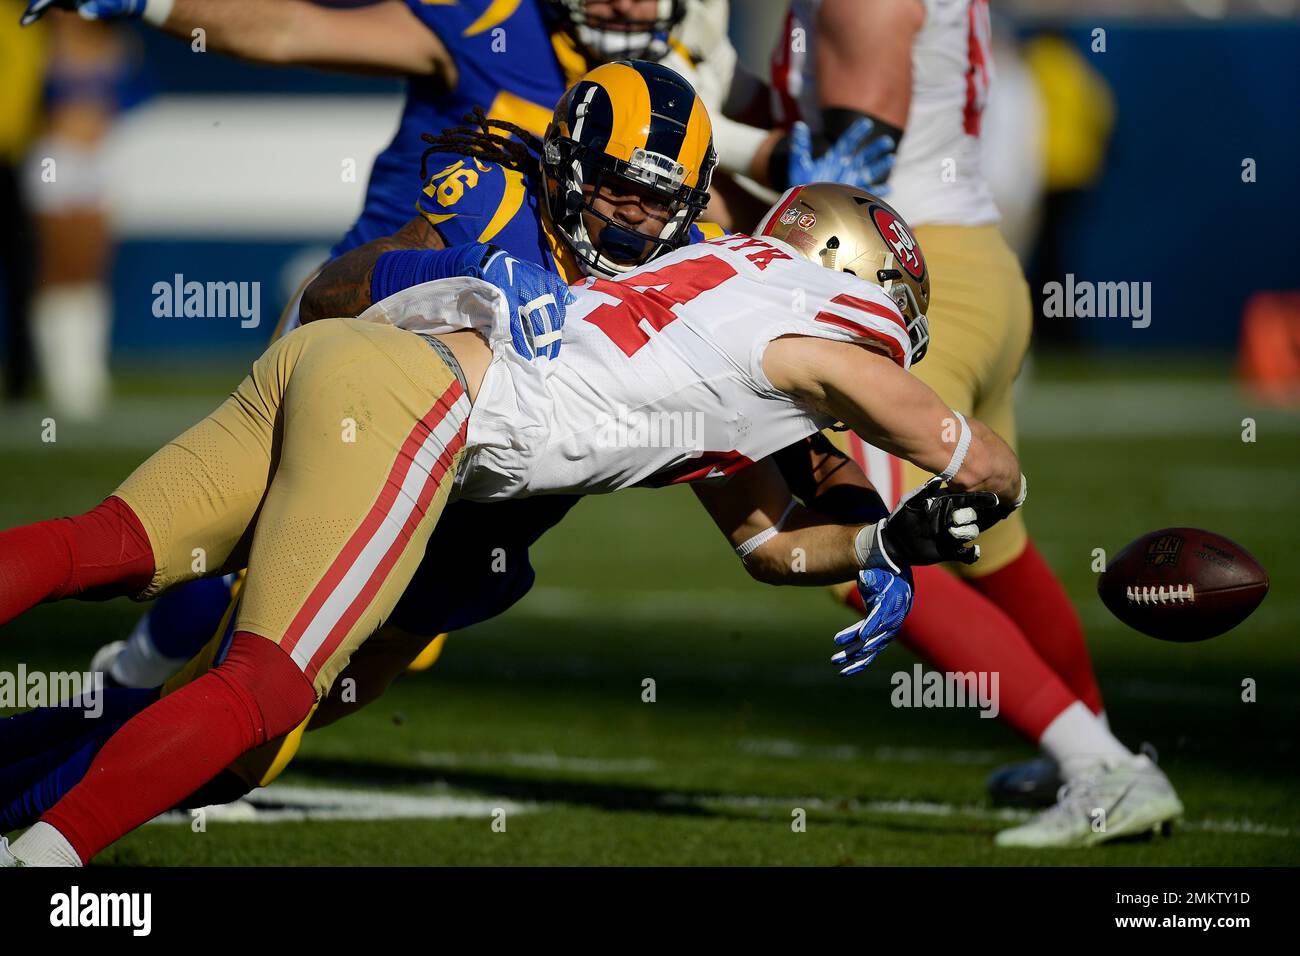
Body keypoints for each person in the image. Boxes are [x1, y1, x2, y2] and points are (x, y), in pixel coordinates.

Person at [0, 182, 1025, 866]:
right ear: (862, 278)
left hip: (348, 357)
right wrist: (982, 476)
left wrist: (883, 542)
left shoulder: (722, 293)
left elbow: (764, 540)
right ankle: (43, 860)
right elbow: (925, 424)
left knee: (110, 546)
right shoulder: (831, 328)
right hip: (419, 404)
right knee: (268, 684)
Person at [733, 0, 1181, 848]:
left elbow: (845, 166)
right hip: (973, 264)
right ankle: (1090, 745)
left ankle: (1102, 769)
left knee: (859, 546)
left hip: (904, 280)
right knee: (991, 545)